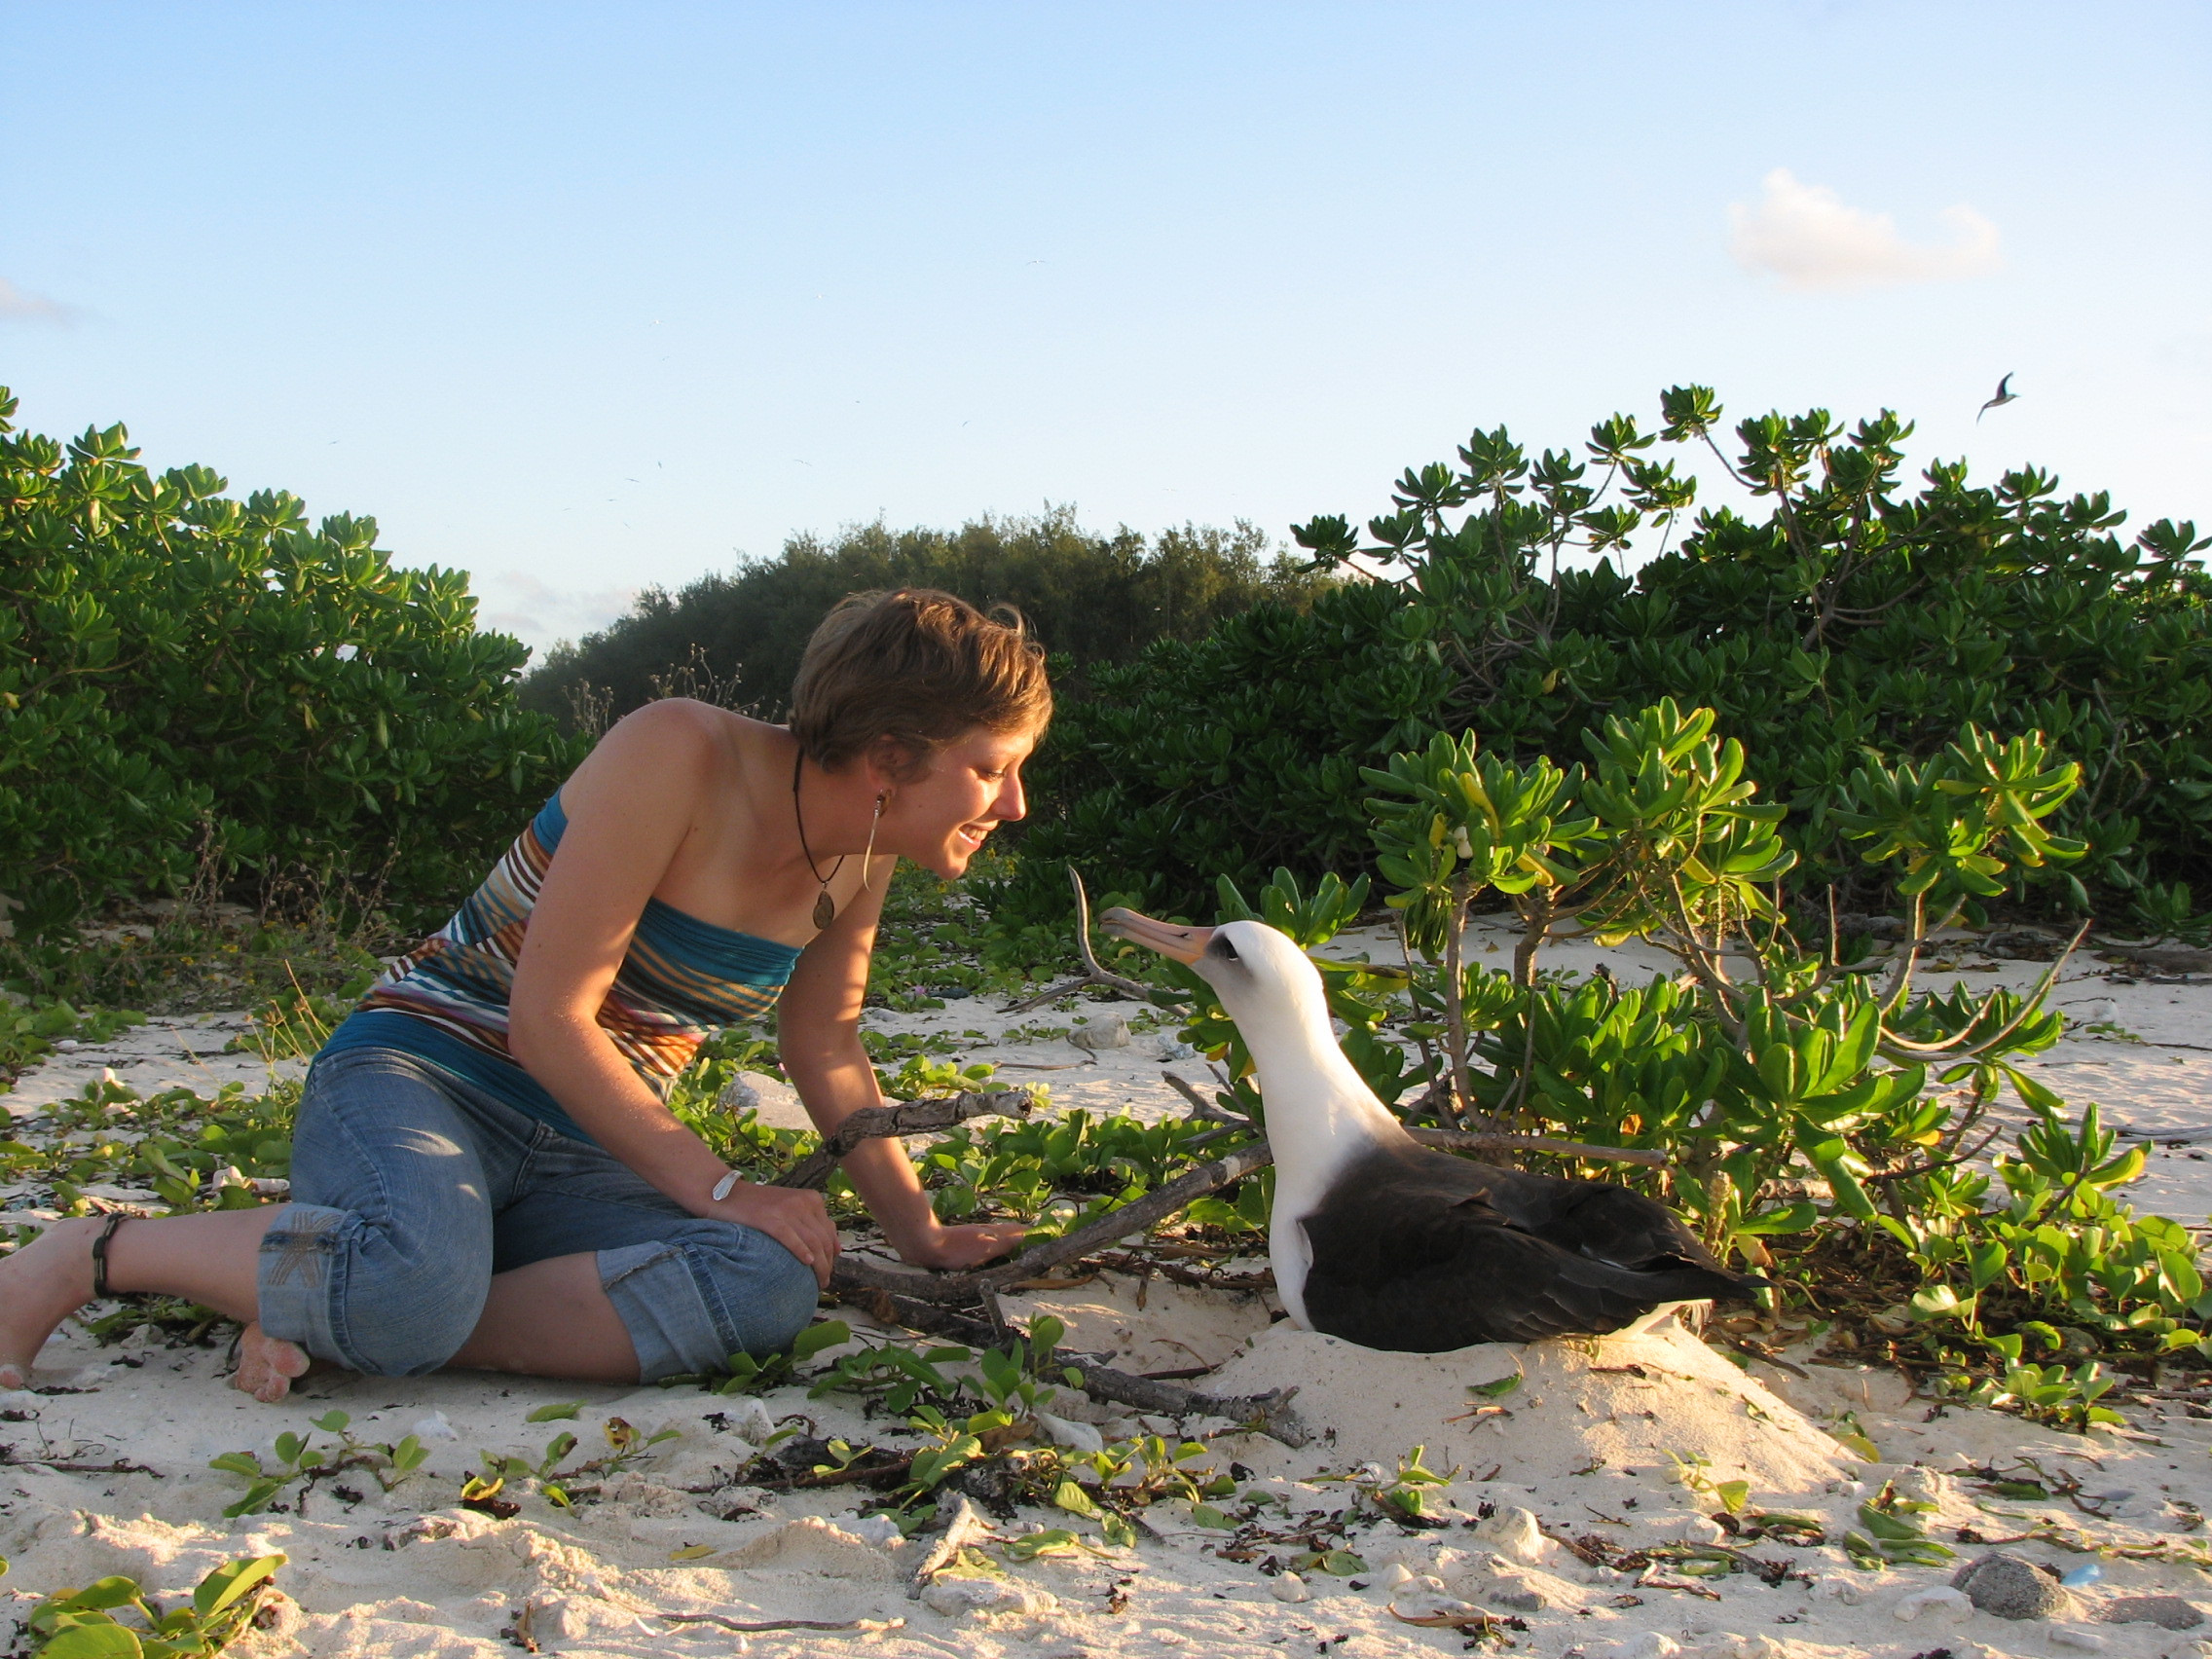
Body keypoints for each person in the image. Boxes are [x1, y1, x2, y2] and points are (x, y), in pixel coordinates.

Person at [0, 589, 1046, 1401]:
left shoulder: (863, 853)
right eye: (992, 768)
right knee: (443, 1277)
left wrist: (920, 1234)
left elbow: (824, 1042)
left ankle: (342, 1302)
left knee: (764, 1281)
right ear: (888, 757)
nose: (1015, 802)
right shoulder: (677, 750)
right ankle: (93, 1253)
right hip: (424, 1076)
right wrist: (729, 1187)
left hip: (585, 1148)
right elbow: (550, 1023)